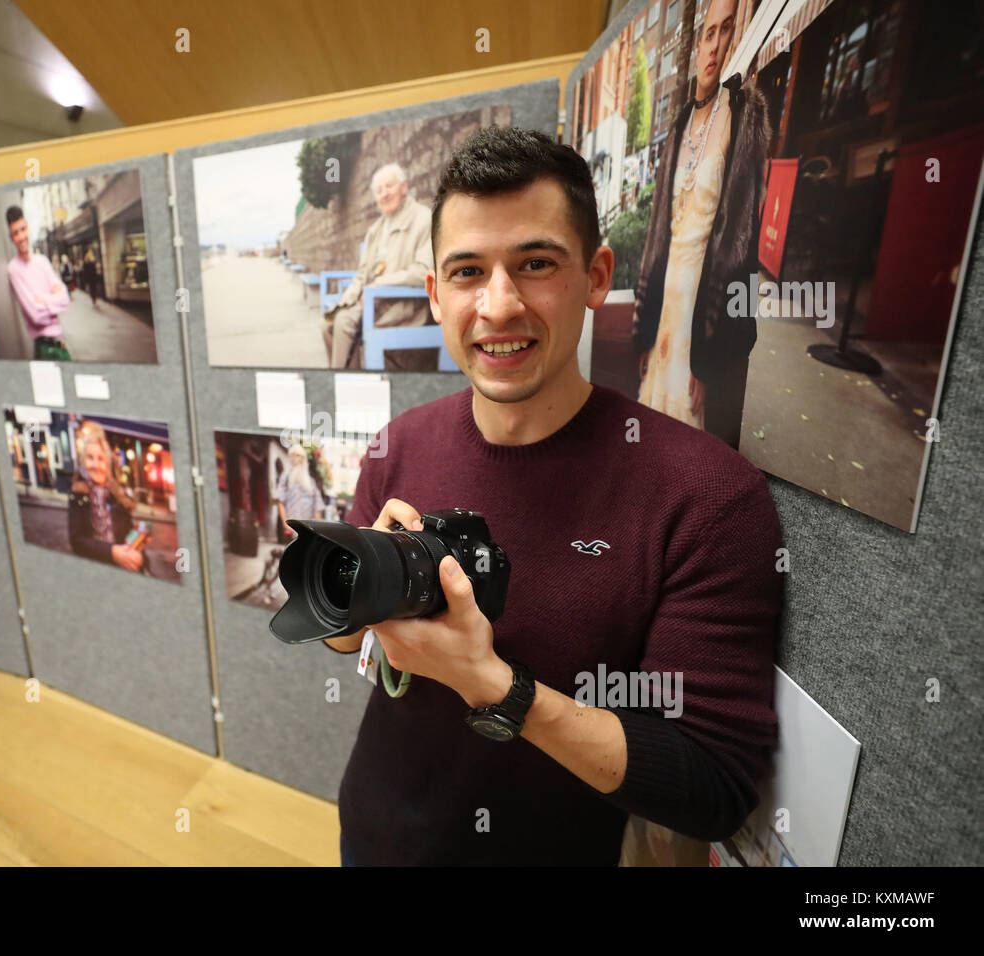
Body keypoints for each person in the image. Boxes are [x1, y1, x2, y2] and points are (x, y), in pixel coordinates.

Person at [323, 125, 783, 866]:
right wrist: (352, 598)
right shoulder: (401, 443)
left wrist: (493, 686)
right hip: (373, 832)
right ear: (435, 294)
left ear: (597, 275)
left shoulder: (705, 495)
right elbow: (341, 640)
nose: (499, 307)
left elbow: (713, 784)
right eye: (468, 273)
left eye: (536, 264)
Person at [633, 0, 769, 451]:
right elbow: (657, 237)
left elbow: (740, 248)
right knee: (651, 432)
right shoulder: (678, 125)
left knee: (691, 445)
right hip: (666, 310)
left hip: (702, 316)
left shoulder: (746, 119)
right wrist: (645, 329)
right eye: (708, 33)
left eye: (726, 31)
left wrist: (711, 359)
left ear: (739, 35)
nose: (714, 46)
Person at [322, 163, 437, 371]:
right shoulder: (375, 230)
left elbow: (424, 272)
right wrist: (346, 300)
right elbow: (362, 274)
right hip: (373, 304)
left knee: (343, 324)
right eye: (379, 190)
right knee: (328, 325)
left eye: (389, 187)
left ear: (404, 187)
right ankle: (352, 380)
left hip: (403, 306)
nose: (384, 194)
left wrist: (379, 285)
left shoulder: (423, 219)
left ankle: (346, 385)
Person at [68, 422, 143, 572]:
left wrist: (139, 553)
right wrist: (112, 552)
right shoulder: (78, 494)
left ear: (107, 463)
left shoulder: (118, 497)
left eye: (100, 458)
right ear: (83, 461)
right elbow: (77, 541)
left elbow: (129, 535)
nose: (95, 464)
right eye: (90, 457)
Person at [4, 205, 73, 360]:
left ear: (28, 229)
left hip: (61, 343)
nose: (21, 236)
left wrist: (44, 300)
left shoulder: (42, 261)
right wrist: (54, 299)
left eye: (23, 229)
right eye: (16, 233)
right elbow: (36, 315)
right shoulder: (14, 269)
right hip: (44, 347)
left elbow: (65, 299)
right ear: (11, 237)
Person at [274, 444, 325, 540]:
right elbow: (280, 502)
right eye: (295, 455)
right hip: (292, 526)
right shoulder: (286, 478)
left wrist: (317, 528)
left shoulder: (310, 482)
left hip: (308, 527)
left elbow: (317, 505)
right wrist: (285, 524)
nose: (298, 458)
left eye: (300, 456)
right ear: (290, 457)